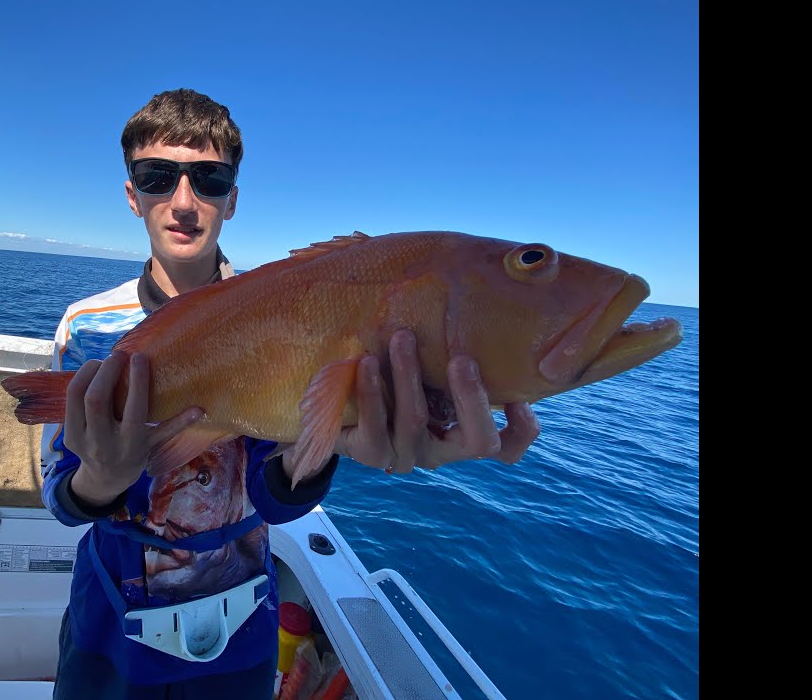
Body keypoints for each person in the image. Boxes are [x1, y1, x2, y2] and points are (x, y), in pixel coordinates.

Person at [40, 88, 540, 699]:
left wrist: (323, 445)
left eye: (210, 179)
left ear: (232, 199)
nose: (184, 201)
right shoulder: (88, 327)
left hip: (241, 628)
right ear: (131, 194)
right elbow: (61, 495)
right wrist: (101, 479)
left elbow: (273, 500)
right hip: (108, 628)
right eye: (157, 176)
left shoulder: (287, 308)